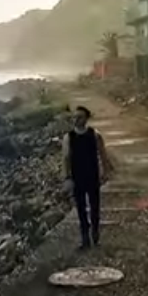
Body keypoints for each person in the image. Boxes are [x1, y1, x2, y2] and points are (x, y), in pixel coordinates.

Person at [62, 105, 114, 249]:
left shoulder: (95, 134)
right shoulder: (68, 137)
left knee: (95, 206)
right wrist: (67, 177)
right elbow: (65, 158)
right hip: (77, 177)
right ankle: (85, 236)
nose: (76, 120)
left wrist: (106, 171)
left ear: (86, 119)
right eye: (75, 117)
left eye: (80, 117)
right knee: (80, 208)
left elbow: (103, 153)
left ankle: (95, 233)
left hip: (92, 175)